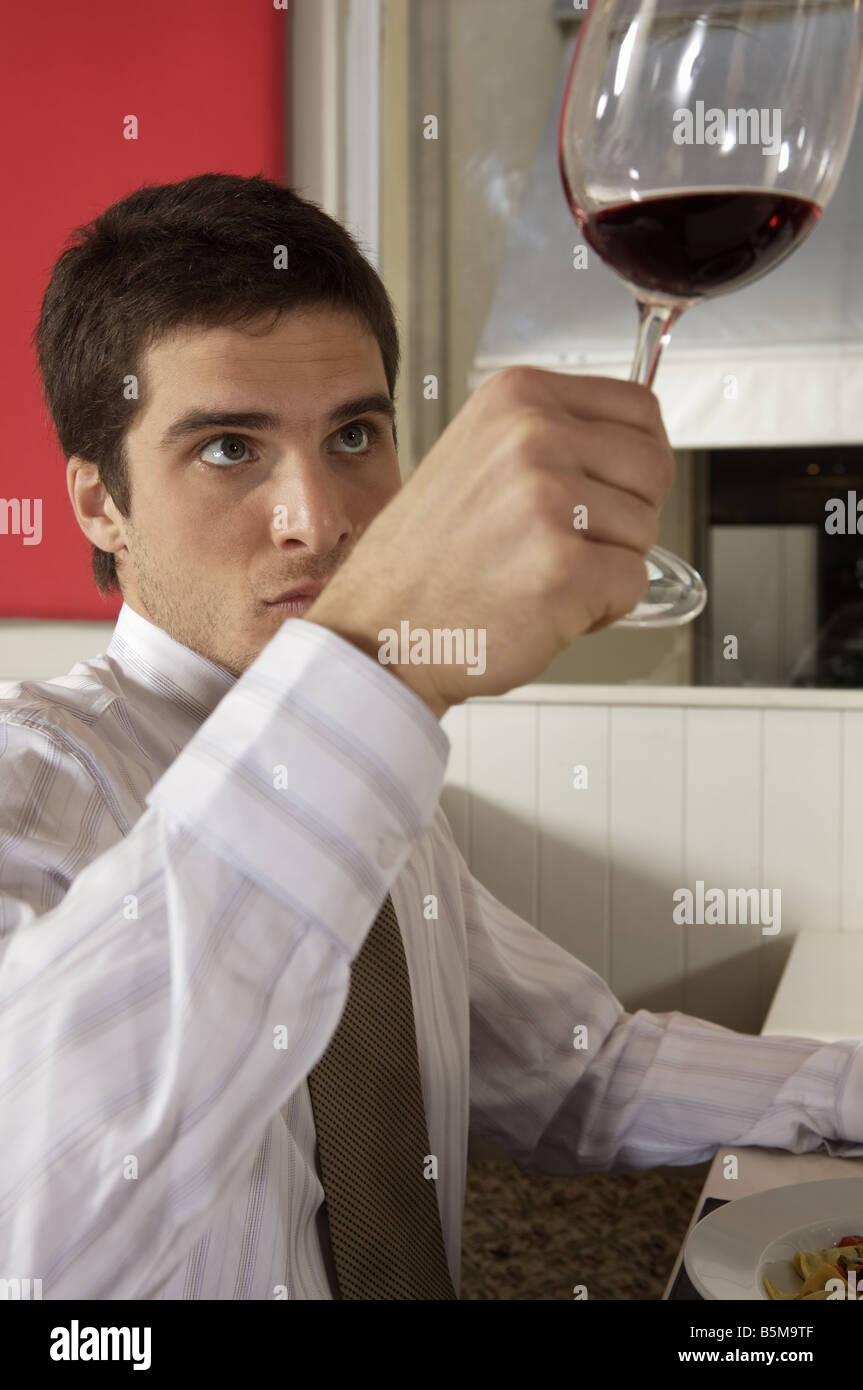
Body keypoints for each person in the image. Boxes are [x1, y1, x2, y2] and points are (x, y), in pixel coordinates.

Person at [1, 173, 860, 1301]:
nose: (320, 518)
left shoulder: (380, 788)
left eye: (354, 432)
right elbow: (34, 1223)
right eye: (226, 448)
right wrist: (371, 663)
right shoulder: (42, 776)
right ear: (97, 503)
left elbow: (578, 1075)